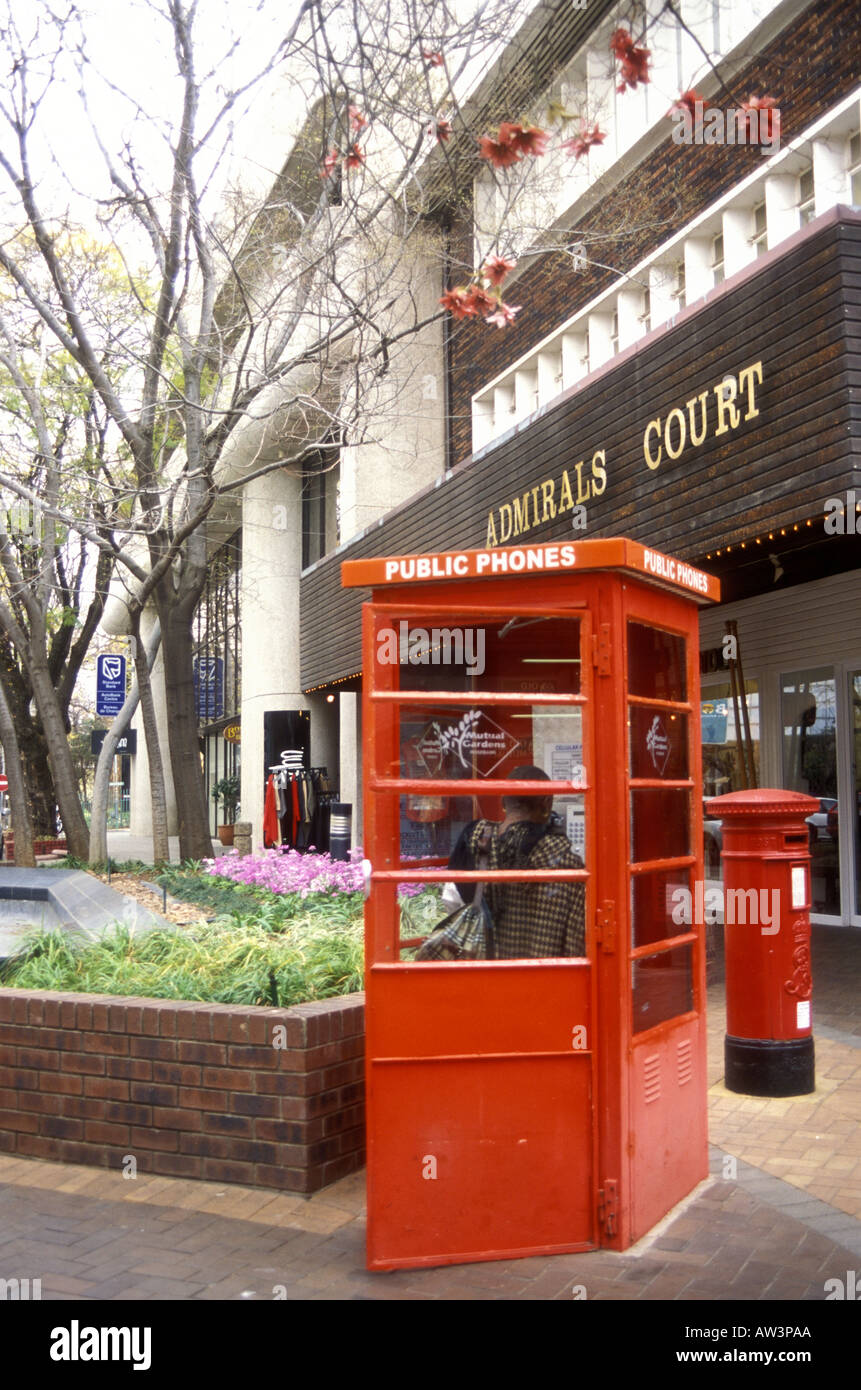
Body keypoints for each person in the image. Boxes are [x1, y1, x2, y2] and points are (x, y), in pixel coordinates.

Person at [448, 765, 585, 958]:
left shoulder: (474, 839)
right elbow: (575, 937)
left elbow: (452, 901)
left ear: (504, 801)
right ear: (546, 802)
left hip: (487, 971)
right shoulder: (568, 862)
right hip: (545, 976)